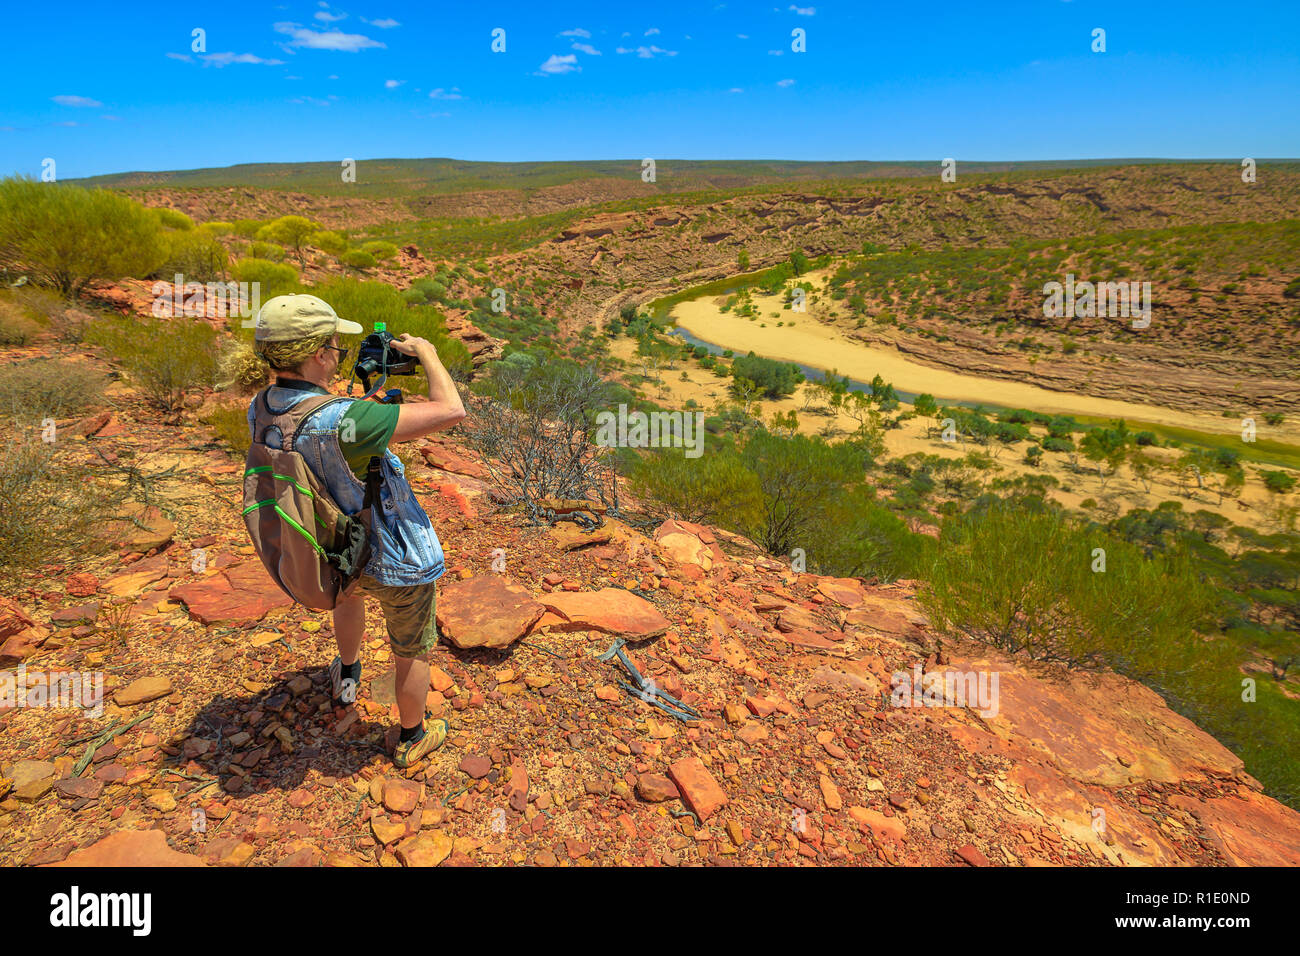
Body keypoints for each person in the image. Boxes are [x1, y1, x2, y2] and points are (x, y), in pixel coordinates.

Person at [223, 293, 466, 767]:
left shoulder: (261, 407)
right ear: (318, 354)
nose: (339, 353)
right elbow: (450, 410)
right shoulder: (348, 419)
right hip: (393, 555)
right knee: (411, 646)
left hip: (330, 549)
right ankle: (412, 735)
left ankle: (349, 674)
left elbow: (321, 430)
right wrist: (429, 353)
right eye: (335, 345)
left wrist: (363, 405)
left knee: (349, 597)